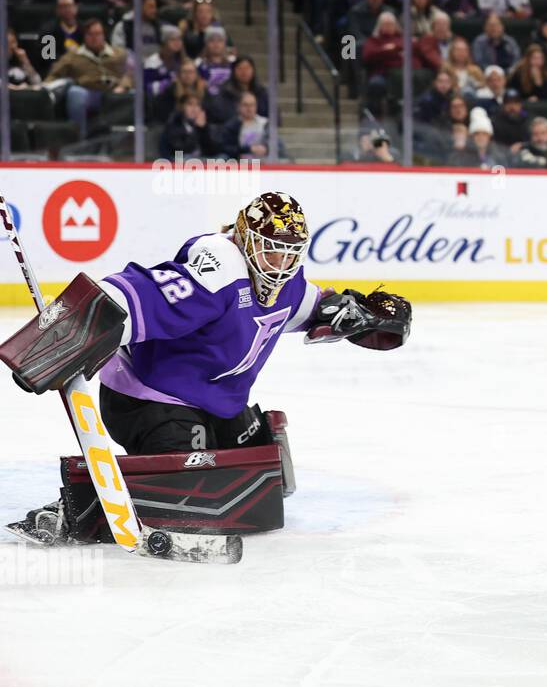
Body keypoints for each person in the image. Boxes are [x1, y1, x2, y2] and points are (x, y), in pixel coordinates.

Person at [5, 194, 411, 546]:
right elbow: (145, 293)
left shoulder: (288, 283)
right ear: (247, 240)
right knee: (191, 489)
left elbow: (312, 308)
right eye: (271, 249)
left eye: (290, 252)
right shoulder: (219, 270)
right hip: (149, 397)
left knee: (261, 467)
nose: (281, 262)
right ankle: (76, 510)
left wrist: (355, 314)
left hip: (213, 400)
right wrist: (70, 328)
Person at [44, 18, 130, 138]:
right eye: (90, 34)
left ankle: (130, 139)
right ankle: (79, 137)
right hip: (88, 92)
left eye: (98, 34)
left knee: (135, 94)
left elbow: (131, 73)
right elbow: (53, 75)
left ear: (104, 35)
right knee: (75, 93)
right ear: (84, 36)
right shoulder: (73, 56)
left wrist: (123, 86)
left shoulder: (119, 54)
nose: (94, 37)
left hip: (114, 92)